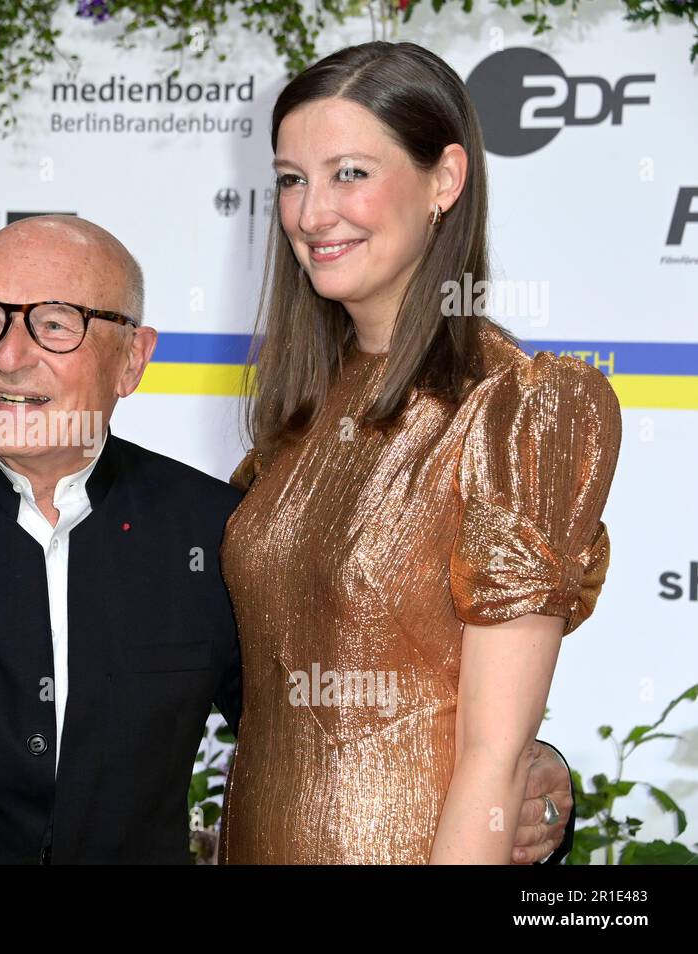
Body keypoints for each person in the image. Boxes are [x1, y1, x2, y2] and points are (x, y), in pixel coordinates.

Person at [0, 214, 575, 864]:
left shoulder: (214, 528)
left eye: (56, 323)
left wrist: (515, 765)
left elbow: (320, 721)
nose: (8, 354)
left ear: (134, 359)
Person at [219, 42, 620, 863]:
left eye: (350, 173)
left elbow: (494, 754)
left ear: (445, 179)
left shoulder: (515, 407)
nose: (311, 213)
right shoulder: (299, 416)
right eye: (292, 179)